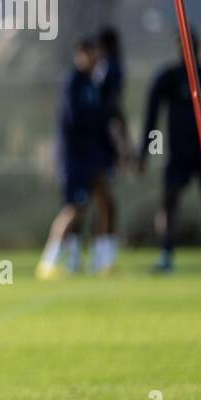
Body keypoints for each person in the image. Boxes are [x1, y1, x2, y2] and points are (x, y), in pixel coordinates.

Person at [37, 36, 105, 280]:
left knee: (82, 205)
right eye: (94, 53)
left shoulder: (90, 82)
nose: (98, 59)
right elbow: (74, 120)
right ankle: (49, 260)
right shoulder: (73, 82)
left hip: (86, 156)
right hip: (73, 157)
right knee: (73, 207)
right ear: (83, 54)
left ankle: (73, 260)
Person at [140, 29, 201, 272]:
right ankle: (166, 255)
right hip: (178, 154)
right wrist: (146, 151)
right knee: (169, 202)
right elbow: (152, 117)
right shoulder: (168, 77)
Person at [90, 25, 128, 273]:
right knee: (103, 203)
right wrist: (123, 142)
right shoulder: (109, 71)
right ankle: (102, 260)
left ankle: (101, 257)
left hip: (101, 144)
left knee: (103, 203)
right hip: (97, 146)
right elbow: (112, 110)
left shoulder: (103, 71)